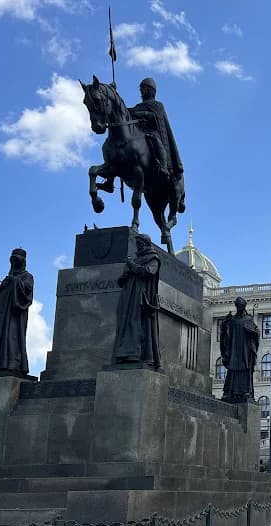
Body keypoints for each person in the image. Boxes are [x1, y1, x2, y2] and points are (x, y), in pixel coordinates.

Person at [129, 77, 185, 210]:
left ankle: (164, 167)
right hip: (140, 136)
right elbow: (127, 112)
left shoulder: (158, 105)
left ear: (150, 90)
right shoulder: (138, 107)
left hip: (154, 134)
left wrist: (144, 114)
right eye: (141, 89)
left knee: (156, 142)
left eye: (143, 89)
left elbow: (157, 119)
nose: (141, 92)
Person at [0, 248, 34, 376]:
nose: (15, 262)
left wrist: (14, 282)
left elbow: (26, 295)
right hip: (1, 316)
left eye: (17, 260)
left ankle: (12, 364)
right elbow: (0, 293)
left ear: (23, 261)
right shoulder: (7, 278)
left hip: (14, 316)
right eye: (13, 260)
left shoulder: (27, 277)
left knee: (12, 339)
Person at [112, 234, 161, 368]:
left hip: (141, 299)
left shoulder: (153, 258)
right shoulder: (134, 260)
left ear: (146, 244)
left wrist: (132, 265)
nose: (138, 246)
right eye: (137, 244)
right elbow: (120, 281)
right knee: (126, 326)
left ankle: (137, 355)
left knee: (137, 326)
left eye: (140, 244)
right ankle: (124, 354)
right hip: (128, 299)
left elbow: (147, 272)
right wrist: (125, 274)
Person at [219, 297, 260, 403]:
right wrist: (224, 325)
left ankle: (246, 391)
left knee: (244, 369)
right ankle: (229, 392)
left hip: (245, 350)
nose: (239, 308)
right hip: (233, 349)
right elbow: (225, 335)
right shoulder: (232, 320)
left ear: (244, 307)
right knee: (232, 370)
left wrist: (252, 332)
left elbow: (256, 333)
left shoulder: (248, 319)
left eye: (241, 306)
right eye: (238, 306)